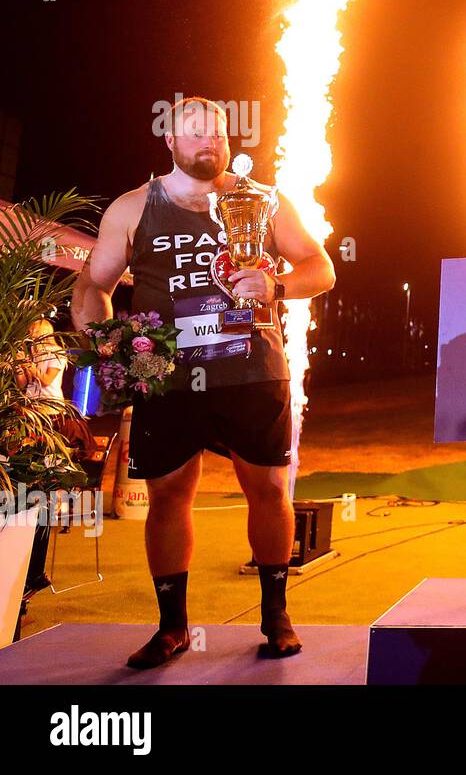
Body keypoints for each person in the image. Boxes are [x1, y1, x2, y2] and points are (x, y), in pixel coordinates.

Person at [72, 96, 336, 669]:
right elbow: (94, 285)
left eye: (216, 133)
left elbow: (321, 266)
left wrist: (277, 288)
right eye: (193, 133)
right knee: (168, 496)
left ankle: (275, 614)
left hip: (250, 369)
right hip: (165, 377)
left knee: (267, 490)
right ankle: (172, 628)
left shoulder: (262, 201)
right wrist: (109, 343)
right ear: (169, 140)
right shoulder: (135, 206)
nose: (207, 143)